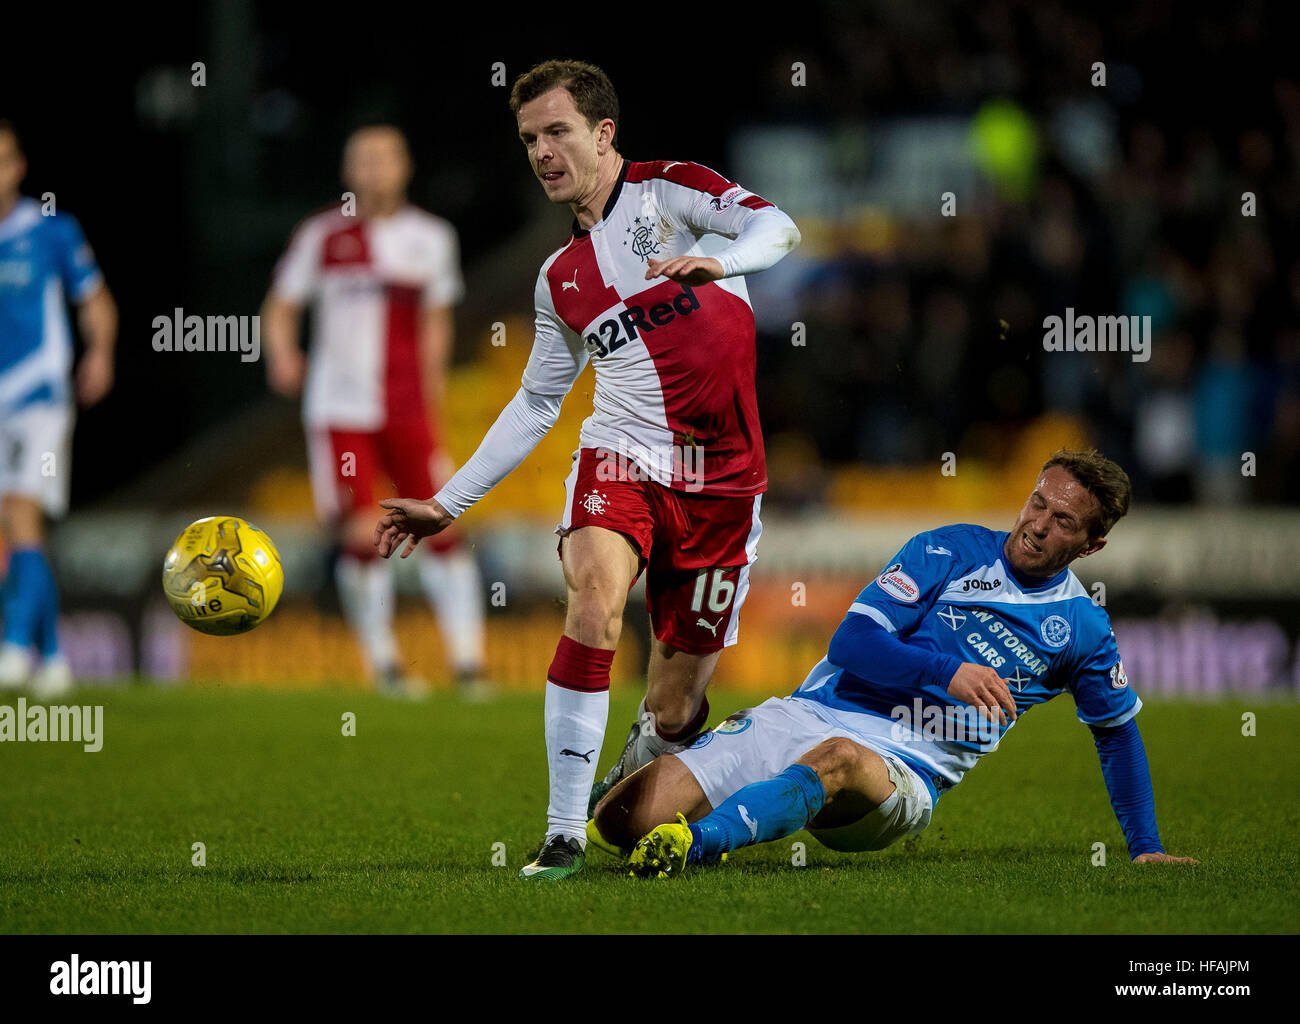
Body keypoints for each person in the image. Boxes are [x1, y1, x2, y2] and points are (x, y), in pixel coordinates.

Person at [373, 60, 801, 879]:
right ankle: (563, 832)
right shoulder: (558, 281)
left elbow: (780, 225)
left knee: (677, 709)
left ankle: (648, 747)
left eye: (557, 131)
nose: (541, 151)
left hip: (726, 483)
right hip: (623, 458)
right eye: (530, 138)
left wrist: (725, 262)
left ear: (604, 133)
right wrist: (446, 502)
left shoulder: (672, 191)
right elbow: (537, 404)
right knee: (595, 601)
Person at [589, 449, 1200, 876]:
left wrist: (1144, 846)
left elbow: (1116, 736)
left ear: (1092, 544)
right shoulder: (948, 549)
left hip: (902, 772)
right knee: (618, 822)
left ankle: (697, 845)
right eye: (1037, 502)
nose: (1037, 525)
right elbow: (850, 646)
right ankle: (652, 793)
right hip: (807, 713)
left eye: (1062, 521)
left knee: (840, 759)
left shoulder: (1083, 631)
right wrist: (945, 672)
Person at [263, 124, 489, 699]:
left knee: (441, 527)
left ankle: (468, 665)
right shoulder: (321, 235)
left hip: (409, 409)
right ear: (348, 171)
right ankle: (386, 667)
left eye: (384, 158)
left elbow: (436, 321)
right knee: (362, 532)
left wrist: (434, 394)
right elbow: (281, 305)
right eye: (362, 159)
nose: (373, 169)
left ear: (405, 166)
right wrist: (282, 354)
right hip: (340, 411)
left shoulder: (431, 237)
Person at [0, 120, 117, 696]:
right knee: (16, 528)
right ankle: (52, 656)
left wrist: (100, 351)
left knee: (21, 508)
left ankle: (14, 647)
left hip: (40, 395)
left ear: (18, 168)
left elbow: (94, 298)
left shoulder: (50, 231)